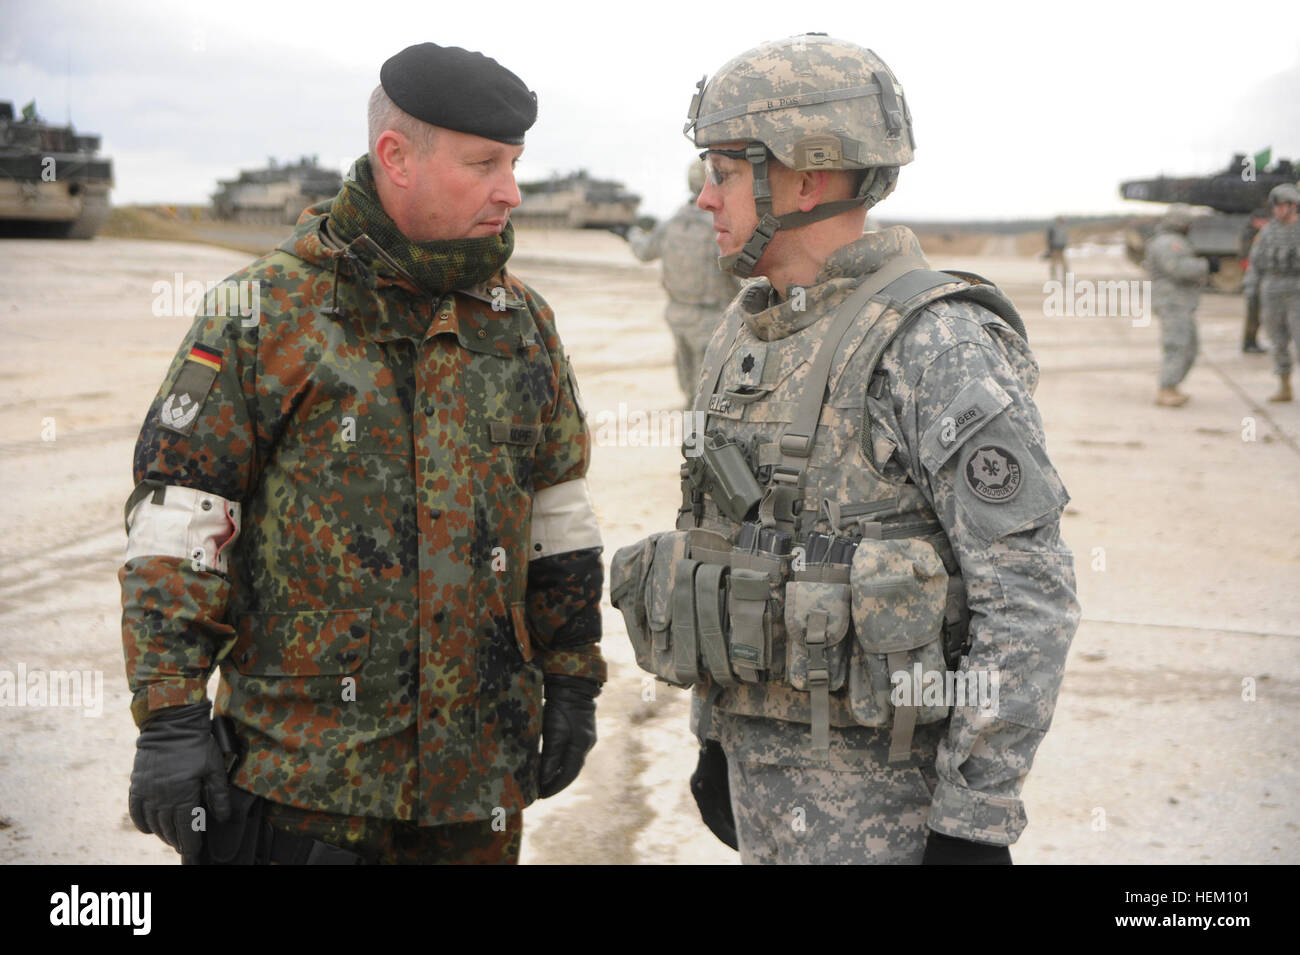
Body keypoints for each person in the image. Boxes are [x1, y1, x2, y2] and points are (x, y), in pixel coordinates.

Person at [119, 42, 606, 865]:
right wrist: (169, 719)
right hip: (303, 786)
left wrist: (572, 682)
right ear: (396, 158)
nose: (510, 191)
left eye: (516, 164)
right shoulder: (265, 311)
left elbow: (557, 518)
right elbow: (181, 522)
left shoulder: (522, 323)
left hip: (474, 787)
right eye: (485, 162)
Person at [611, 35, 1078, 864]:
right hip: (766, 800)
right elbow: (720, 551)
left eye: (721, 173)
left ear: (805, 175)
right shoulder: (744, 328)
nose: (704, 201)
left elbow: (1028, 597)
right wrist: (712, 736)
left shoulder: (935, 342)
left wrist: (974, 819)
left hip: (893, 818)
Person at [626, 160, 742, 401]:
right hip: (713, 320)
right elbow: (741, 275)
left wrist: (632, 234)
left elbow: (644, 252)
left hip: (678, 316)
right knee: (710, 394)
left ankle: (692, 434)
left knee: (690, 389)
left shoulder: (671, 224)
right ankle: (698, 436)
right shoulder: (719, 226)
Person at [1144, 204, 1209, 407]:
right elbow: (1178, 268)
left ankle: (1172, 386)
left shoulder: (1173, 241)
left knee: (1190, 347)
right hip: (1173, 302)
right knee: (1177, 345)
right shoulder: (1168, 242)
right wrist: (1205, 266)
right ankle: (1166, 388)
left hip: (1180, 302)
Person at [1250, 183, 1300, 401]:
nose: (1277, 211)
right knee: (1277, 339)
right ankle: (1284, 385)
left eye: (1282, 206)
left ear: (1293, 206)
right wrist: (1251, 287)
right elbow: (1255, 262)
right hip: (1271, 289)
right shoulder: (1267, 231)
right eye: (1275, 207)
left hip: (1297, 289)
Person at [1239, 208, 1271, 354]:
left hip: (1263, 279)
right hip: (1254, 280)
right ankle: (1249, 342)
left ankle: (1252, 341)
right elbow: (1245, 259)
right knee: (1253, 313)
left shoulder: (1262, 234)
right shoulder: (1249, 235)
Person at [1046, 215, 1068, 283]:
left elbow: (1065, 239)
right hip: (1054, 249)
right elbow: (1049, 239)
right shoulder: (1053, 228)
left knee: (1064, 265)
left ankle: (1065, 279)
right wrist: (1050, 249)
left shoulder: (1064, 228)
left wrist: (1064, 247)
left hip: (1061, 249)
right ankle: (1053, 279)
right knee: (1053, 264)